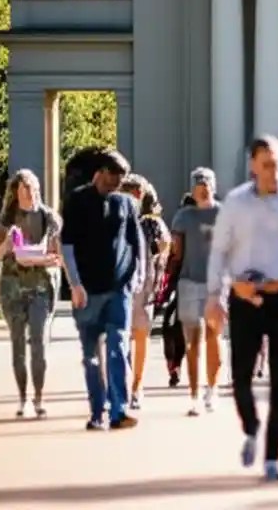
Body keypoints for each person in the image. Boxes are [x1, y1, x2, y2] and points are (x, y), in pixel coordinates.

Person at [205, 135, 278, 482]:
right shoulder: (236, 204)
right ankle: (252, 427)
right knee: (240, 375)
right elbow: (220, 251)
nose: (273, 171)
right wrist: (216, 296)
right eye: (266, 164)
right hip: (243, 296)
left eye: (277, 164)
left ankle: (272, 456)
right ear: (253, 165)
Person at [60, 148, 145, 431]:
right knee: (91, 354)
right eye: (112, 178)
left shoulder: (126, 204)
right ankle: (98, 410)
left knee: (118, 347)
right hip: (87, 290)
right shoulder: (77, 201)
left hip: (118, 287)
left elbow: (137, 242)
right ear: (101, 173)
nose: (115, 185)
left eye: (120, 180)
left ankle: (119, 410)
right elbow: (67, 245)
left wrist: (137, 276)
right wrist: (74, 284)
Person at [0, 170, 63, 419]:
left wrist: (43, 259)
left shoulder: (49, 218)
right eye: (23, 189)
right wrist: (7, 245)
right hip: (12, 289)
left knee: (39, 341)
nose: (28, 193)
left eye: (31, 188)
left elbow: (58, 256)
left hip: (41, 287)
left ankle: (39, 396)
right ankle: (22, 397)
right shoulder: (6, 222)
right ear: (15, 193)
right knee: (18, 343)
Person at [171, 168, 222, 415]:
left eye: (206, 183)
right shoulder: (183, 216)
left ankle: (212, 389)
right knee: (193, 340)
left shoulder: (223, 214)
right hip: (189, 282)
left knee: (214, 337)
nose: (202, 187)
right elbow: (177, 252)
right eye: (198, 184)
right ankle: (194, 395)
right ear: (192, 189)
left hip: (216, 284)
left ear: (213, 186)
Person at [121, 174, 169, 410]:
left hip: (144, 287)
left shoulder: (151, 223)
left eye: (137, 194)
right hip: (119, 286)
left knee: (140, 335)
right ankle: (125, 381)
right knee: (120, 339)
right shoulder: (114, 218)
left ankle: (137, 386)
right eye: (129, 193)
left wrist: (159, 250)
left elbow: (164, 245)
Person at [162, 193, 197, 388]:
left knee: (171, 325)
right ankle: (177, 365)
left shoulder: (180, 229)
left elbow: (174, 257)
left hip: (179, 282)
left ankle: (174, 365)